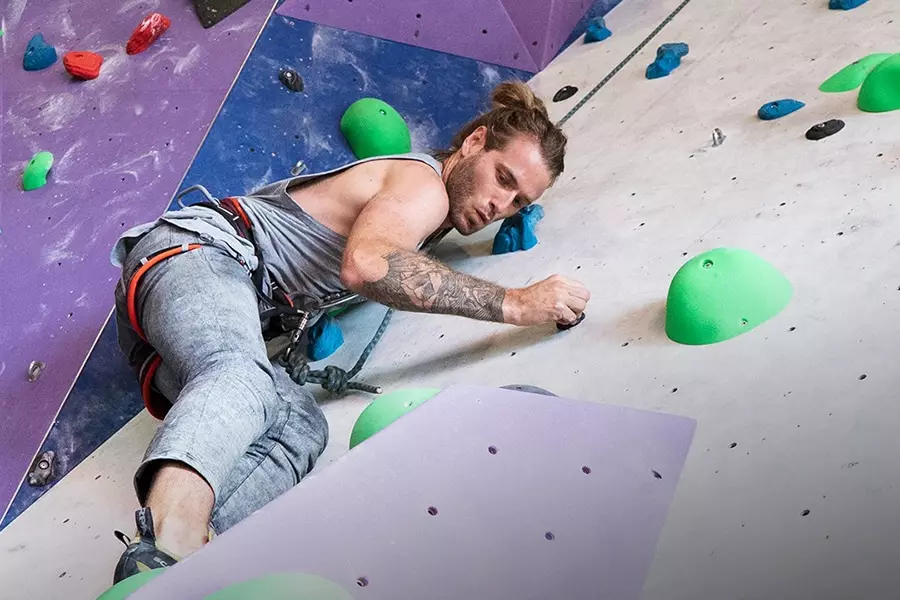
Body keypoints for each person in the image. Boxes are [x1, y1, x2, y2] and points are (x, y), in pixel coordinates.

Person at [109, 81, 590, 582]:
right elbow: (367, 263)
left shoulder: (429, 213)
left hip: (177, 322)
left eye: (518, 202)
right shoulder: (421, 185)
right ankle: (164, 545)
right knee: (240, 376)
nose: (501, 205)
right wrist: (514, 303)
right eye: (502, 177)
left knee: (299, 428)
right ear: (473, 143)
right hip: (198, 256)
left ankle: (183, 574)